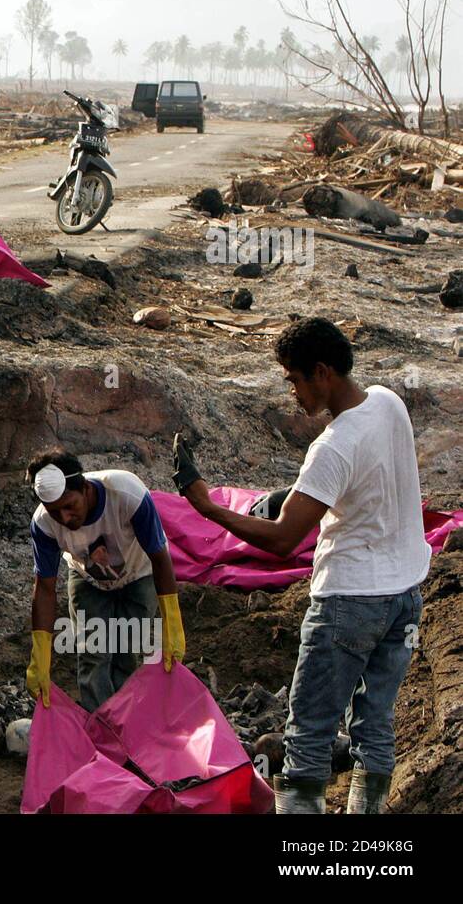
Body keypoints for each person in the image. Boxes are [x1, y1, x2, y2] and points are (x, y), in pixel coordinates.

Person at [173, 317, 427, 814]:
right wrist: (299, 495)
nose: (293, 392)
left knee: (308, 734)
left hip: (349, 601)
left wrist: (209, 508)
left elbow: (286, 540)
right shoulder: (388, 402)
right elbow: (368, 477)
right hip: (405, 594)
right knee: (374, 725)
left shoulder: (331, 447)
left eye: (294, 379)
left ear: (321, 371)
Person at [25, 450, 185, 713]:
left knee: (128, 651)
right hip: (88, 579)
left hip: (138, 574)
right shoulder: (43, 524)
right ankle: (101, 725)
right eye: (55, 512)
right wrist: (39, 657)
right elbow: (44, 587)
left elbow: (159, 556)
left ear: (86, 488)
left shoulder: (127, 494)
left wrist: (173, 625)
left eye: (69, 506)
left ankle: (129, 721)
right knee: (93, 653)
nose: (64, 518)